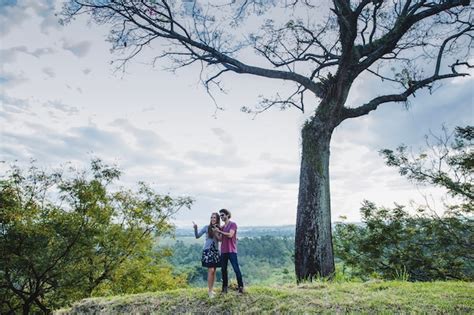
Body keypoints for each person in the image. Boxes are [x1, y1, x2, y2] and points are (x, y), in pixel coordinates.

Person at [214, 208, 244, 294]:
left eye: (223, 215)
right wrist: (216, 232)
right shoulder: (223, 227)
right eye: (220, 216)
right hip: (224, 251)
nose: (221, 217)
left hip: (232, 250)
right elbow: (220, 239)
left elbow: (230, 235)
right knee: (223, 270)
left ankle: (241, 287)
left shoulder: (233, 224)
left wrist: (219, 231)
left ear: (227, 215)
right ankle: (224, 288)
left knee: (236, 269)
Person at [193, 213, 222, 298]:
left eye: (215, 218)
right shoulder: (206, 227)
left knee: (214, 271)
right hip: (208, 251)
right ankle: (209, 291)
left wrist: (216, 231)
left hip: (216, 251)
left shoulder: (219, 228)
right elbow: (197, 236)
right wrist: (195, 228)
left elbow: (220, 240)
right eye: (212, 217)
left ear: (217, 219)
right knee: (211, 270)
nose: (213, 219)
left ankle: (212, 289)